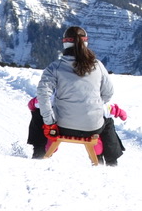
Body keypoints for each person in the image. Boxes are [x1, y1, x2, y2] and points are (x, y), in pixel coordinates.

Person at [28, 26, 124, 165]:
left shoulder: (55, 67)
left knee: (38, 112)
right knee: (107, 122)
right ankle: (109, 161)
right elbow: (108, 93)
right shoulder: (97, 65)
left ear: (65, 43)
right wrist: (93, 103)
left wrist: (49, 122)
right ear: (86, 42)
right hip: (92, 127)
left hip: (61, 126)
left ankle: (39, 152)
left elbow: (43, 95)